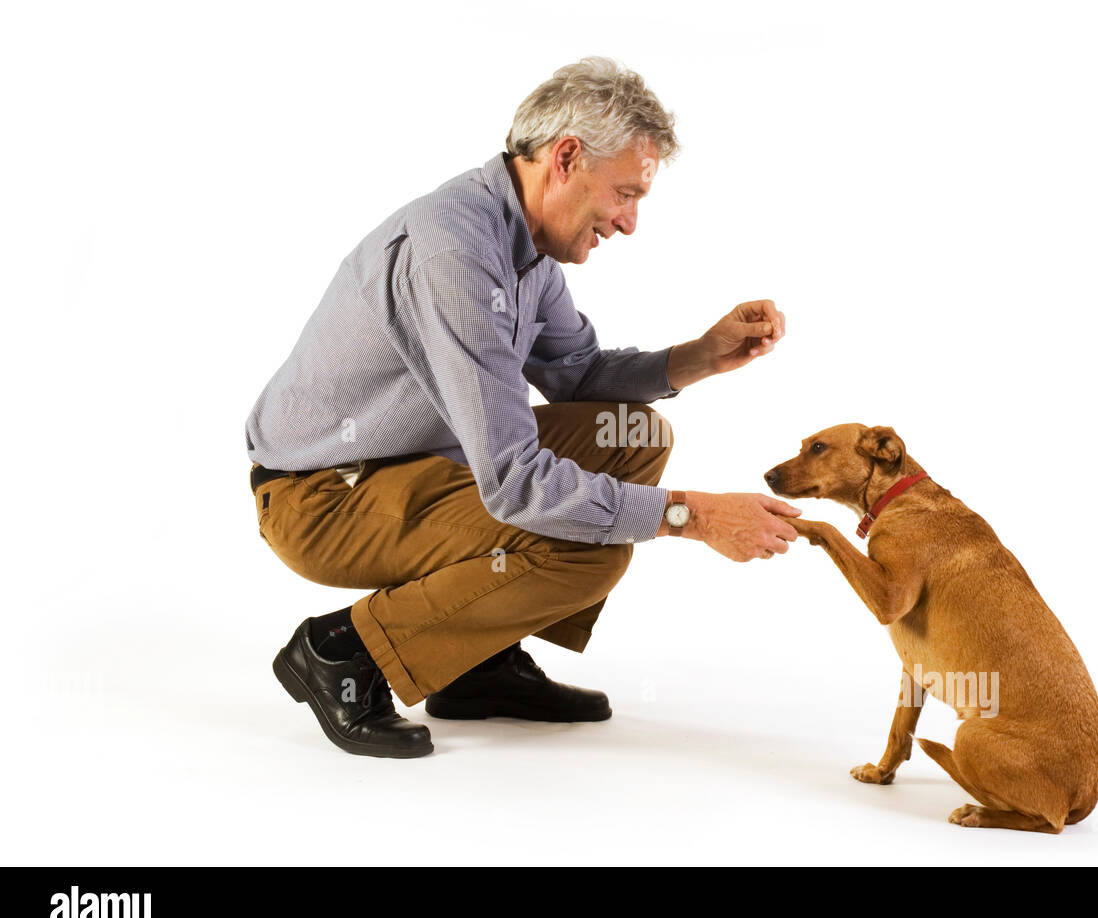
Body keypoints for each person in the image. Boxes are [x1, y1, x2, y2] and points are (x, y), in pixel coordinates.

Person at [245, 56, 801, 759]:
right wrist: (693, 516)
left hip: (418, 469)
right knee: (587, 555)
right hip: (323, 496)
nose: (629, 223)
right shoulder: (453, 250)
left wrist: (700, 355)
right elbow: (514, 481)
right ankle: (342, 650)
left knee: (629, 433)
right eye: (625, 194)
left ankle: (475, 661)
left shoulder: (529, 252)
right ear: (566, 157)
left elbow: (580, 375)